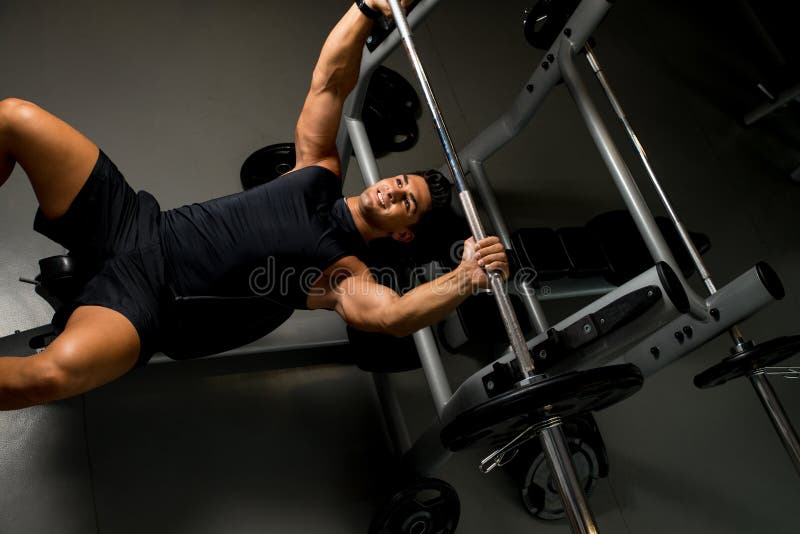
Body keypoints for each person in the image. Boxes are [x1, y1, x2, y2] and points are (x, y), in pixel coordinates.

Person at [0, 0, 508, 410]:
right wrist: (365, 10)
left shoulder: (342, 272)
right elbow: (328, 82)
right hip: (134, 224)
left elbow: (393, 316)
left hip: (147, 301)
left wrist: (465, 276)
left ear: (403, 233)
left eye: (406, 203)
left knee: (48, 375)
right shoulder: (317, 171)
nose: (394, 189)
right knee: (16, 118)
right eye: (400, 181)